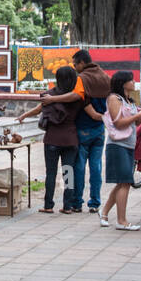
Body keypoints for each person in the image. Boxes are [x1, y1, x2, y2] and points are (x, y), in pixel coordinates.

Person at [40, 50, 110, 213]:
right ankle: (93, 203)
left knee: (74, 168)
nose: (75, 67)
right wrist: (108, 118)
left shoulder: (82, 79)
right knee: (93, 167)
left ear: (82, 63)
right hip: (96, 130)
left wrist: (51, 99)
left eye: (75, 64)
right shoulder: (105, 77)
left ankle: (74, 203)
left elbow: (75, 96)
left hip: (81, 130)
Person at [19, 65, 83, 213]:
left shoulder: (49, 95)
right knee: (68, 172)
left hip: (52, 139)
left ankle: (48, 205)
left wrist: (24, 115)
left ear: (57, 79)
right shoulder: (76, 97)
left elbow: (38, 109)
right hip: (70, 139)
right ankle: (67, 206)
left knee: (51, 173)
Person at [100, 71, 141, 230]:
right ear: (123, 82)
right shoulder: (114, 98)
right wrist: (138, 116)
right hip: (117, 144)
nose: (134, 82)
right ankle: (122, 220)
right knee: (126, 181)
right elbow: (118, 123)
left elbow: (137, 121)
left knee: (123, 181)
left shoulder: (130, 100)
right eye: (131, 80)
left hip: (129, 144)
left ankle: (105, 212)